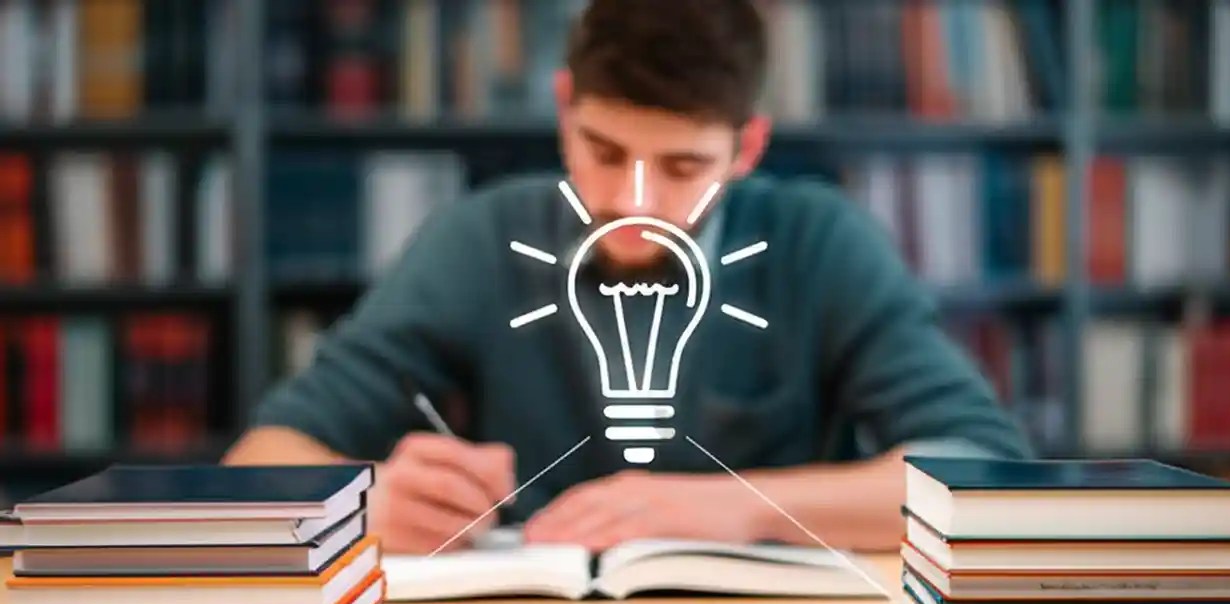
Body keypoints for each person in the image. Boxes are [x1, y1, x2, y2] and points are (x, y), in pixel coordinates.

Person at [223, 0, 1029, 555]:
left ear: (746, 149)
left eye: (682, 166)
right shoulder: (485, 236)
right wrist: (363, 505)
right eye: (606, 153)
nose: (635, 205)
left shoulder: (819, 240)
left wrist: (741, 506)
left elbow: (982, 473)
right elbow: (259, 458)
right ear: (564, 107)